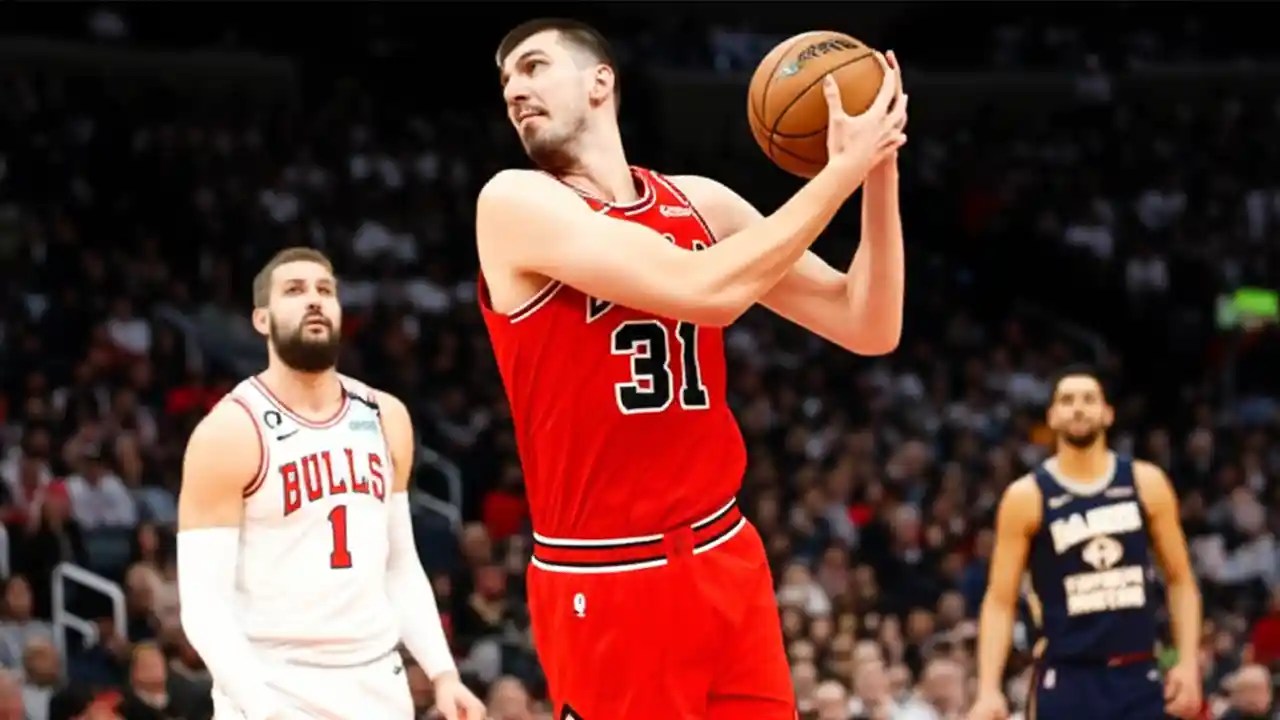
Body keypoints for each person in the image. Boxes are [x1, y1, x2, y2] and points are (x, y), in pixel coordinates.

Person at [476, 17, 907, 720]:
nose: (515, 91)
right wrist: (839, 171)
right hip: (608, 573)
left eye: (531, 67)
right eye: (505, 83)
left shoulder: (699, 202)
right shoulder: (513, 202)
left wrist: (878, 167)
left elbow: (869, 324)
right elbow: (708, 292)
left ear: (599, 82)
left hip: (724, 551)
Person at [176, 247, 484, 720]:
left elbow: (399, 564)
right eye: (294, 290)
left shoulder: (385, 415)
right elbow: (202, 607)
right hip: (273, 683)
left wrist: (443, 673)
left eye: (325, 290)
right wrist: (263, 709)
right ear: (262, 319)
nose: (314, 300)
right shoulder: (230, 431)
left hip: (377, 684)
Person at [969, 367, 1203, 720]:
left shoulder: (1146, 482)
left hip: (1137, 674)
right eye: (1067, 400)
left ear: (1107, 413)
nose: (1078, 408)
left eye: (1088, 399)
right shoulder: (1026, 496)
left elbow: (1181, 580)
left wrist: (1188, 664)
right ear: (1051, 416)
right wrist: (988, 689)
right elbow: (1000, 600)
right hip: (1067, 675)